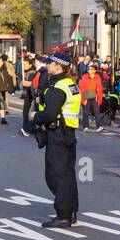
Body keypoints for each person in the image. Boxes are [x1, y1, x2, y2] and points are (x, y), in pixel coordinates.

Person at [31, 52, 80, 228]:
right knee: (66, 173)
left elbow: (50, 113)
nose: (47, 65)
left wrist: (36, 116)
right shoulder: (69, 84)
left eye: (50, 63)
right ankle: (70, 211)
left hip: (58, 134)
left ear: (59, 66)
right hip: (67, 132)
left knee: (56, 175)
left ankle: (63, 215)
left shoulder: (58, 87)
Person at [78, 62, 105, 131]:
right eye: (89, 69)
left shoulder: (97, 77)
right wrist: (82, 97)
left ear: (95, 70)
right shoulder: (84, 76)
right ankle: (85, 126)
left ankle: (99, 126)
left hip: (94, 96)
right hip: (86, 95)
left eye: (92, 69)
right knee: (85, 111)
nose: (90, 71)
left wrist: (99, 98)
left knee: (97, 111)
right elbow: (81, 87)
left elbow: (100, 88)